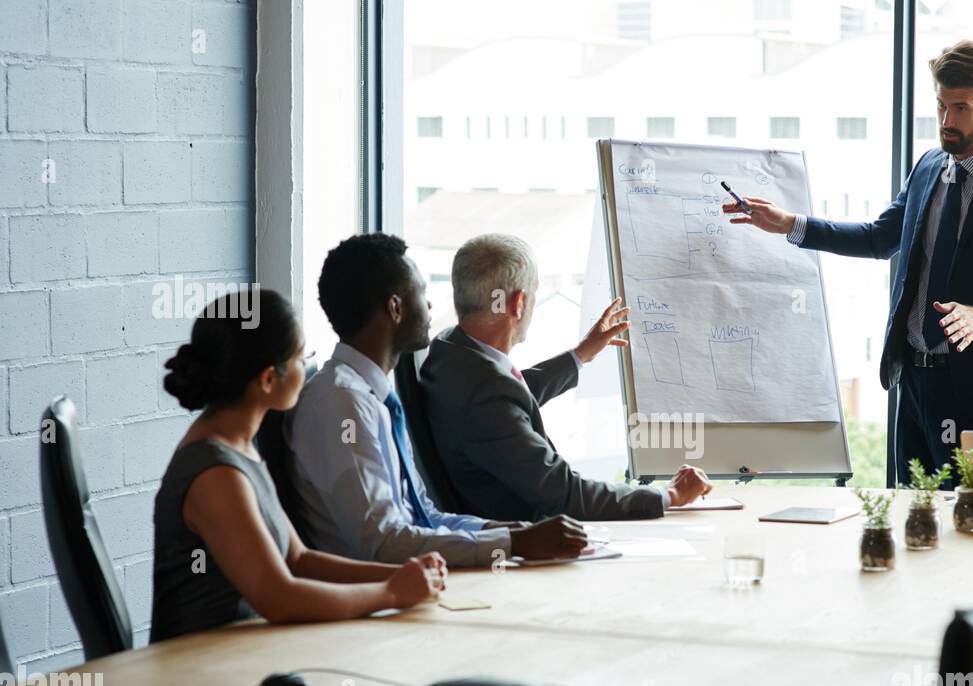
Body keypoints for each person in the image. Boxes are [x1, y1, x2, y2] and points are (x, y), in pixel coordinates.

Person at [724, 40, 973, 486]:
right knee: (910, 514)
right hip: (913, 381)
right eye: (941, 106)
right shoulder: (928, 167)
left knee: (969, 518)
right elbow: (879, 238)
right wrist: (791, 224)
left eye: (961, 108)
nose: (946, 121)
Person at [151, 289, 444, 643]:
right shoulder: (217, 475)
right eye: (300, 357)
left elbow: (298, 558)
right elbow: (278, 598)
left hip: (243, 650)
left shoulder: (239, 447)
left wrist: (400, 574)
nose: (306, 366)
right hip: (198, 663)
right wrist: (391, 593)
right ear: (268, 380)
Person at [288, 232, 587, 564]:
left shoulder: (373, 397)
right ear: (396, 308)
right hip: (383, 586)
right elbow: (384, 543)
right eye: (421, 292)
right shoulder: (343, 405)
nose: (430, 306)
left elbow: (424, 516)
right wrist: (513, 544)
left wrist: (513, 532)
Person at [418, 233, 713, 521]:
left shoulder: (450, 349)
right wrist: (669, 495)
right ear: (518, 303)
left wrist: (579, 355)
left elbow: (509, 399)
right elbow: (567, 495)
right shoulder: (486, 397)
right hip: (529, 534)